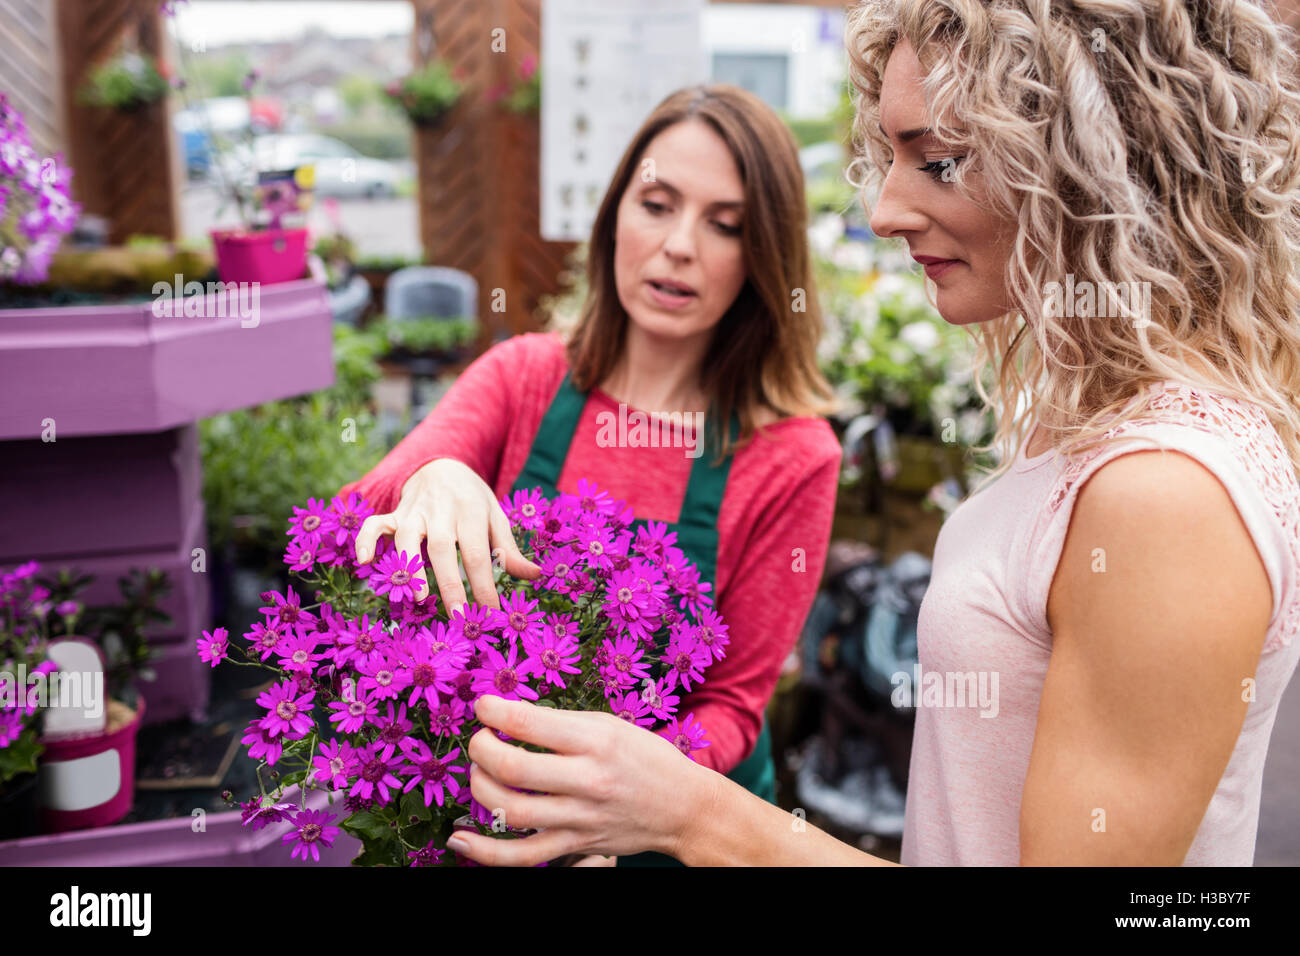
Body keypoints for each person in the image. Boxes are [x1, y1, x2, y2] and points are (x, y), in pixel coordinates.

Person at [446, 0, 1300, 866]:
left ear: (1096, 164)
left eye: (940, 161)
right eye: (891, 157)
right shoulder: (1098, 429)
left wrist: (691, 813)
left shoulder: (1166, 492)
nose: (886, 210)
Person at [339, 84, 842, 865]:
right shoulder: (525, 376)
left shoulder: (795, 456)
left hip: (680, 833)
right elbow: (354, 522)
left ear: (764, 256)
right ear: (613, 219)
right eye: (657, 205)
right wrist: (433, 475)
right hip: (496, 803)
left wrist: (606, 808)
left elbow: (732, 704)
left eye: (726, 225)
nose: (679, 246)